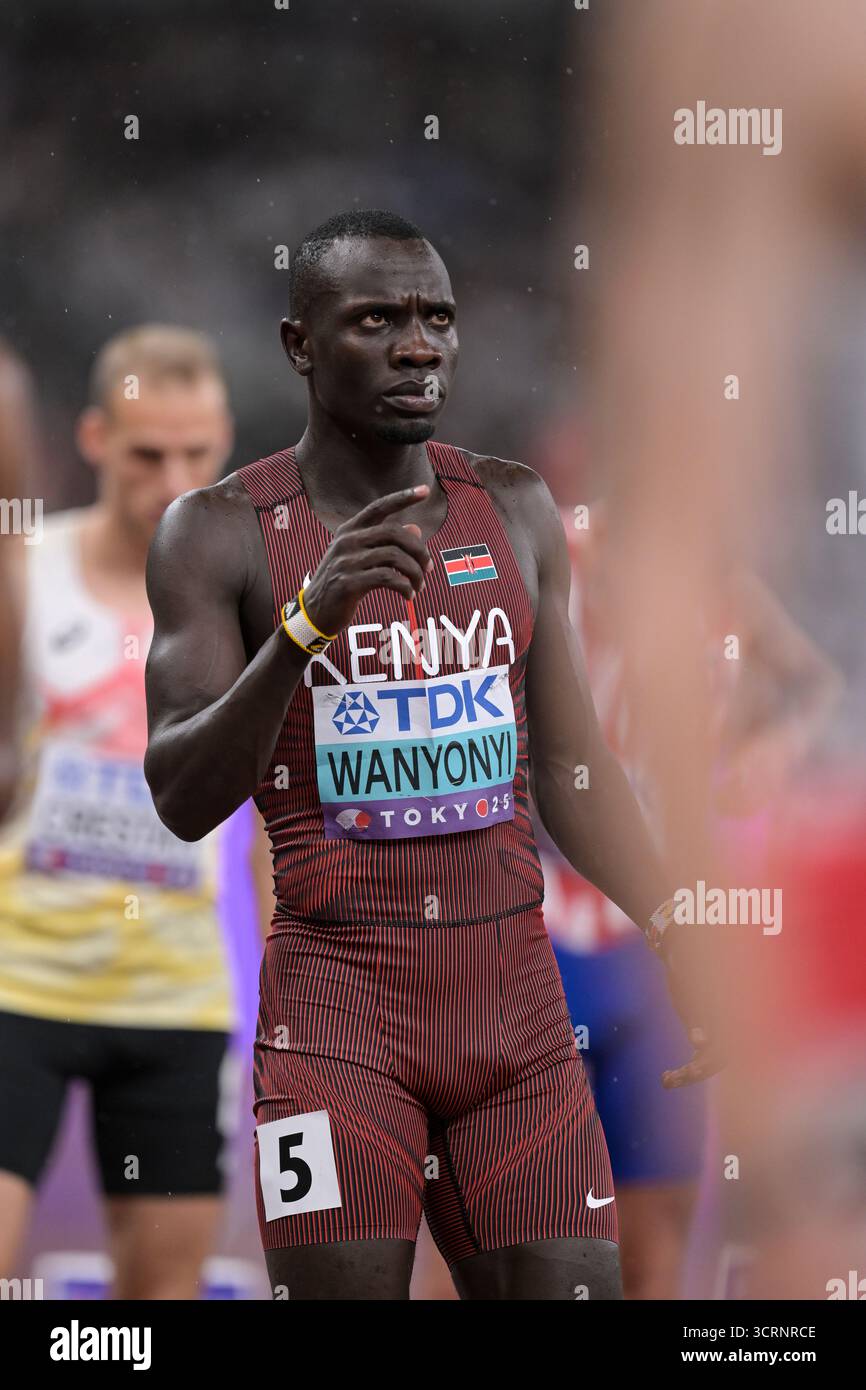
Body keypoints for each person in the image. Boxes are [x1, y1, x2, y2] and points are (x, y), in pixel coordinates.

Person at [144, 209, 718, 1302]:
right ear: (298, 343)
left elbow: (569, 766)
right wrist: (303, 629)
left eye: (437, 319)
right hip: (333, 1023)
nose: (419, 346)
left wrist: (676, 925)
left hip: (516, 1023)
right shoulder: (215, 531)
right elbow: (180, 792)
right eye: (377, 320)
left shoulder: (512, 506)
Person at [0, 325, 240, 1299]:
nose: (173, 476)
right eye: (147, 452)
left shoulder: (247, 601)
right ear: (95, 437)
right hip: (19, 982)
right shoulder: (19, 571)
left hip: (176, 999)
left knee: (154, 1315)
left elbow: (276, 816)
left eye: (196, 451)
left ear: (225, 439)